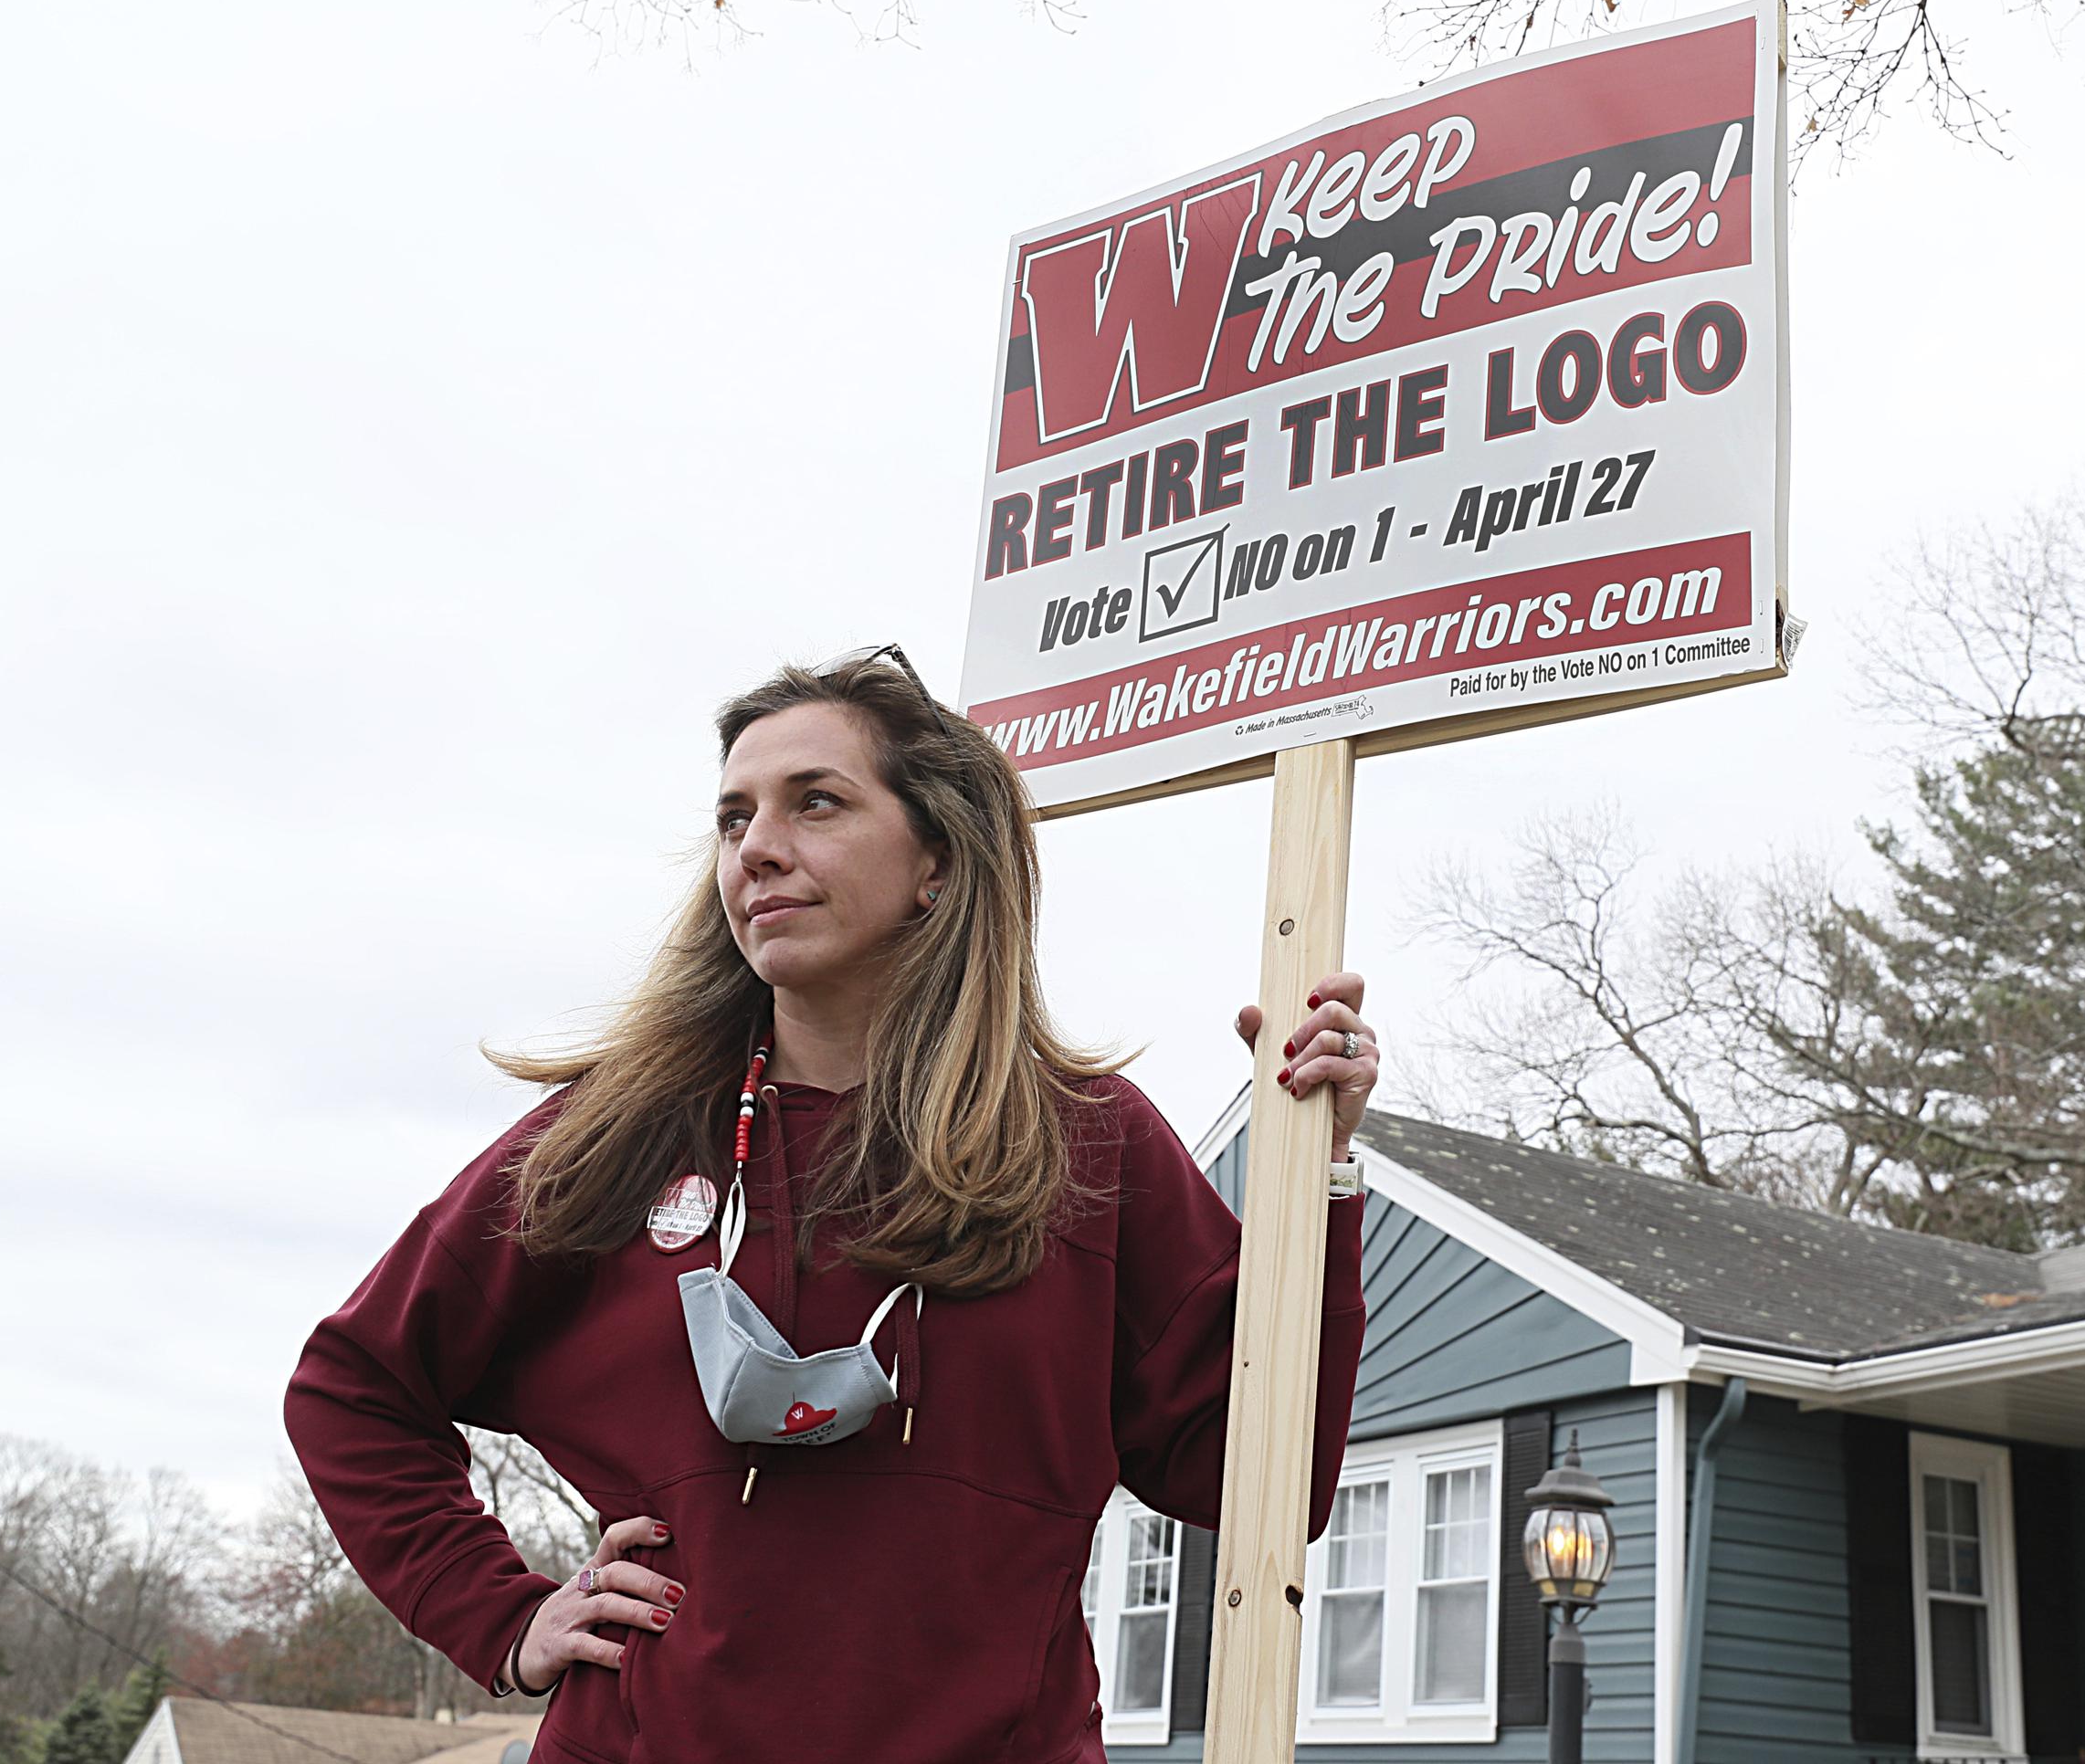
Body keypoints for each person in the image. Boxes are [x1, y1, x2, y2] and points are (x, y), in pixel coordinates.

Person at [283, 651, 1380, 1764]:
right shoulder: (615, 1135)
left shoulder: (1087, 1141)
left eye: (816, 801)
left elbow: (1257, 1480)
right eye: (732, 817)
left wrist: (1316, 1174)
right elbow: (353, 1384)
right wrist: (506, 1617)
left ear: (938, 863)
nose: (756, 846)